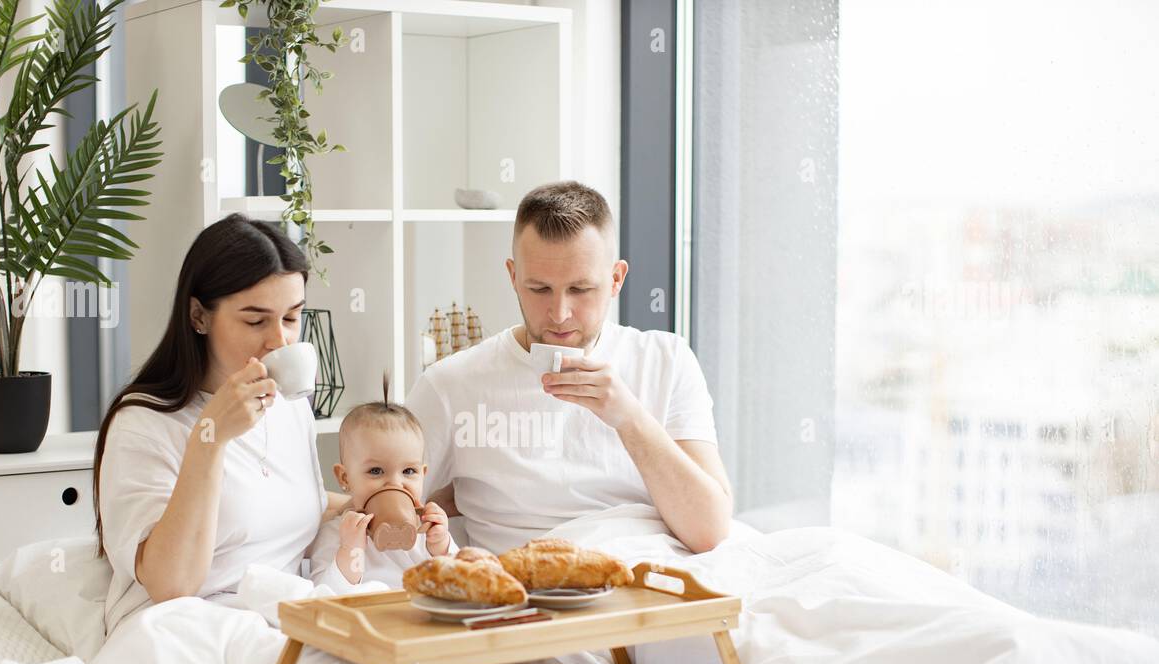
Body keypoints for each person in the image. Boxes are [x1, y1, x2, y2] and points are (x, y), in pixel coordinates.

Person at [405, 180, 735, 555]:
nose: (560, 314)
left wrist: (629, 418)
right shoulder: (451, 385)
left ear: (616, 279)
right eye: (539, 289)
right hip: (534, 593)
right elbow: (385, 495)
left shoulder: (666, 360)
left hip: (651, 582)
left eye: (580, 290)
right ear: (513, 277)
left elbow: (710, 530)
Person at [92, 213, 346, 637]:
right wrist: (210, 438)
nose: (279, 341)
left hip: (276, 620)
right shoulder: (142, 422)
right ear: (199, 316)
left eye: (290, 317)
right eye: (255, 320)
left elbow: (294, 504)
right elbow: (172, 585)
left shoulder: (290, 406)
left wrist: (377, 500)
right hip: (182, 630)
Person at [308, 378, 457, 593]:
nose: (395, 484)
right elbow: (324, 598)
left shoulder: (426, 533)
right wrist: (351, 550)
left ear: (423, 474)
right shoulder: (337, 533)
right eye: (376, 471)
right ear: (345, 478)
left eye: (409, 472)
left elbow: (459, 584)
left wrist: (442, 549)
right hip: (365, 621)